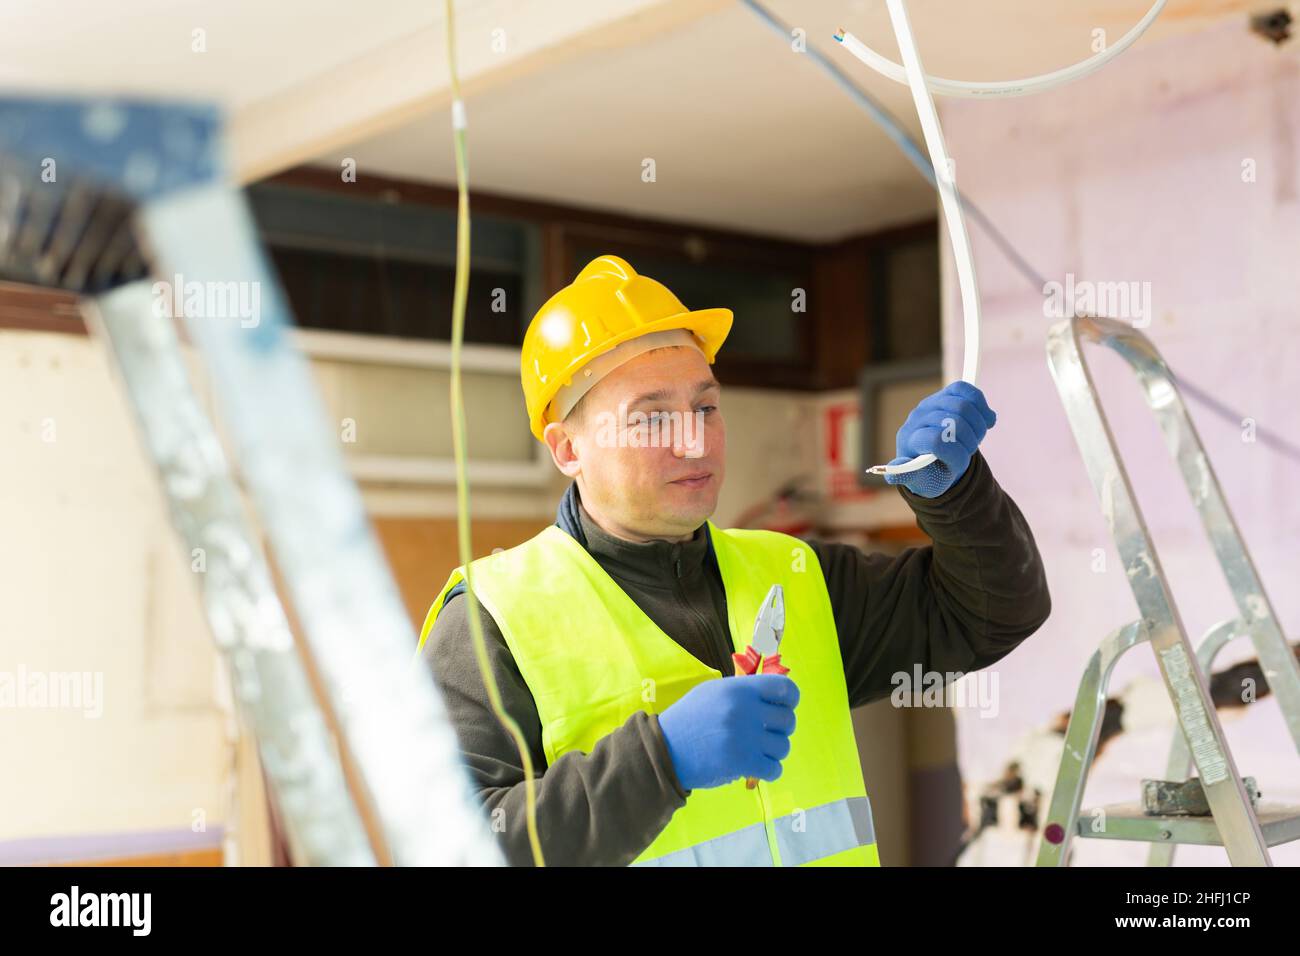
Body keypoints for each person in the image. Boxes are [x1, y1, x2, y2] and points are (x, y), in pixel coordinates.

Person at [418, 254, 1050, 866]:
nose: (693, 440)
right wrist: (658, 762)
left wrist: (954, 495)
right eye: (652, 418)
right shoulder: (491, 622)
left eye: (705, 407)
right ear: (567, 448)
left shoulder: (797, 575)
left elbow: (990, 613)